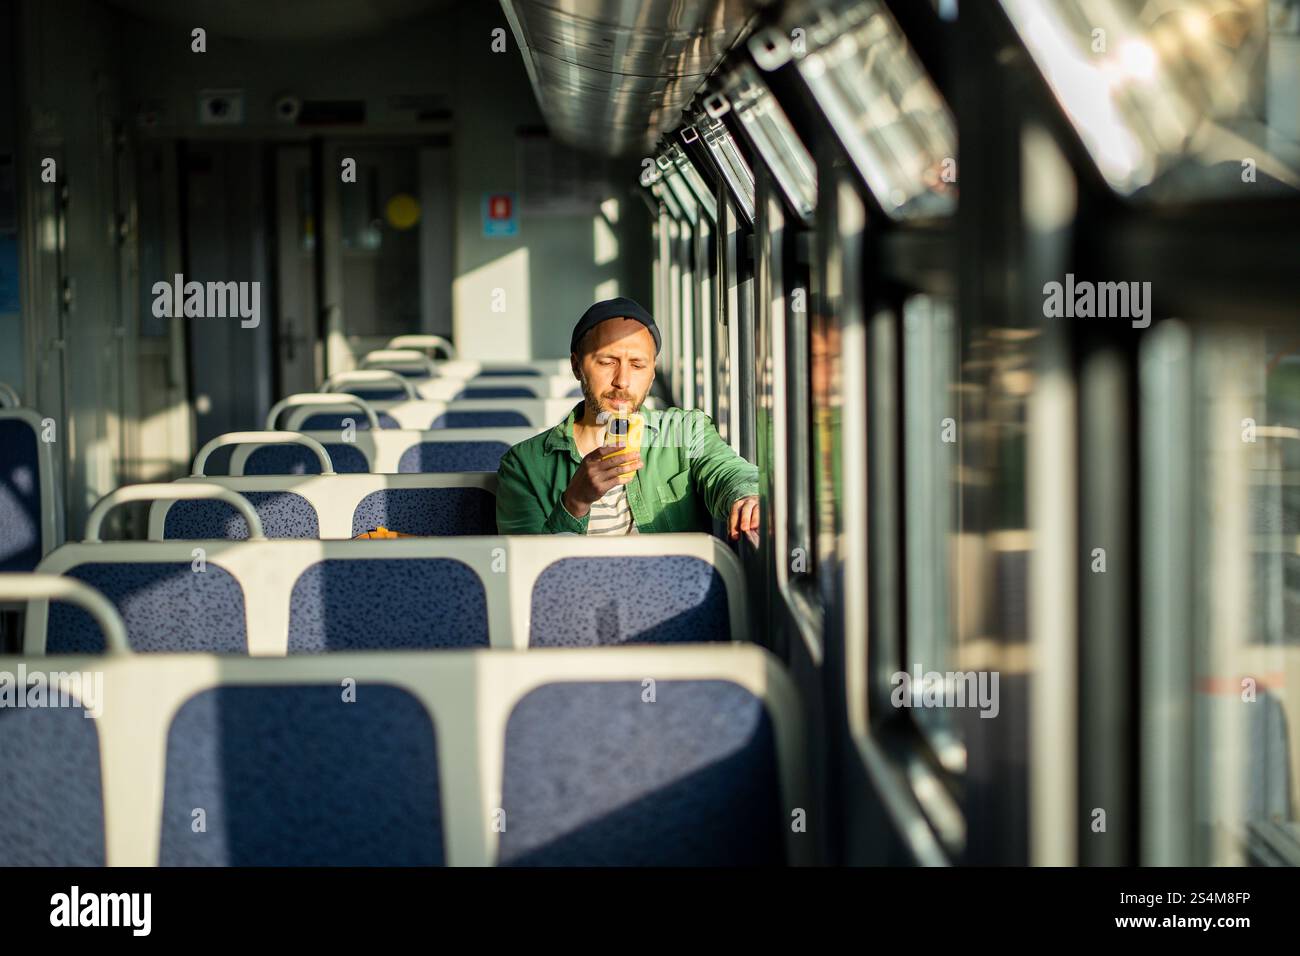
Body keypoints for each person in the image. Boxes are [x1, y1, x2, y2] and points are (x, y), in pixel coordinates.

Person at [494, 296, 760, 540]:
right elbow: (528, 571)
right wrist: (574, 503)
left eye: (637, 365)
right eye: (607, 362)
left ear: (652, 373)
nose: (622, 381)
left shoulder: (686, 430)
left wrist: (748, 496)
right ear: (577, 366)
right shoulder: (522, 465)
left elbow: (728, 472)